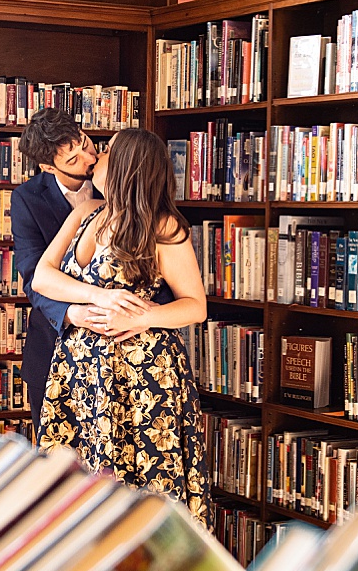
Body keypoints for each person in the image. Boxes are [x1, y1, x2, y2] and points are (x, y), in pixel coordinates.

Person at [29, 127, 210, 524]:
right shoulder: (86, 213)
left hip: (138, 377)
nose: (96, 156)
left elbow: (196, 307)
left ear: (127, 165)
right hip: (78, 374)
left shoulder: (162, 228)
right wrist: (99, 296)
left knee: (139, 484)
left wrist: (144, 315)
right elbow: (42, 277)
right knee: (73, 486)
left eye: (107, 150)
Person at [12, 109, 172, 433]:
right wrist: (74, 312)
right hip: (54, 345)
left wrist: (149, 314)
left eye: (85, 143)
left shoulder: (118, 171)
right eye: (72, 160)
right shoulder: (27, 199)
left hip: (128, 354)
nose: (89, 157)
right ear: (48, 167)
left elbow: (159, 267)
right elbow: (34, 278)